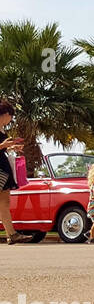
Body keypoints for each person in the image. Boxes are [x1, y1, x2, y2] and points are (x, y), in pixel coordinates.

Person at [0, 101, 34, 244]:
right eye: (10, 116)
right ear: (6, 114)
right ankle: (11, 234)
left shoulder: (1, 129)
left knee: (4, 202)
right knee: (3, 202)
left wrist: (12, 147)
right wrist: (4, 145)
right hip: (0, 169)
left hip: (3, 168)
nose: (10, 120)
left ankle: (11, 234)